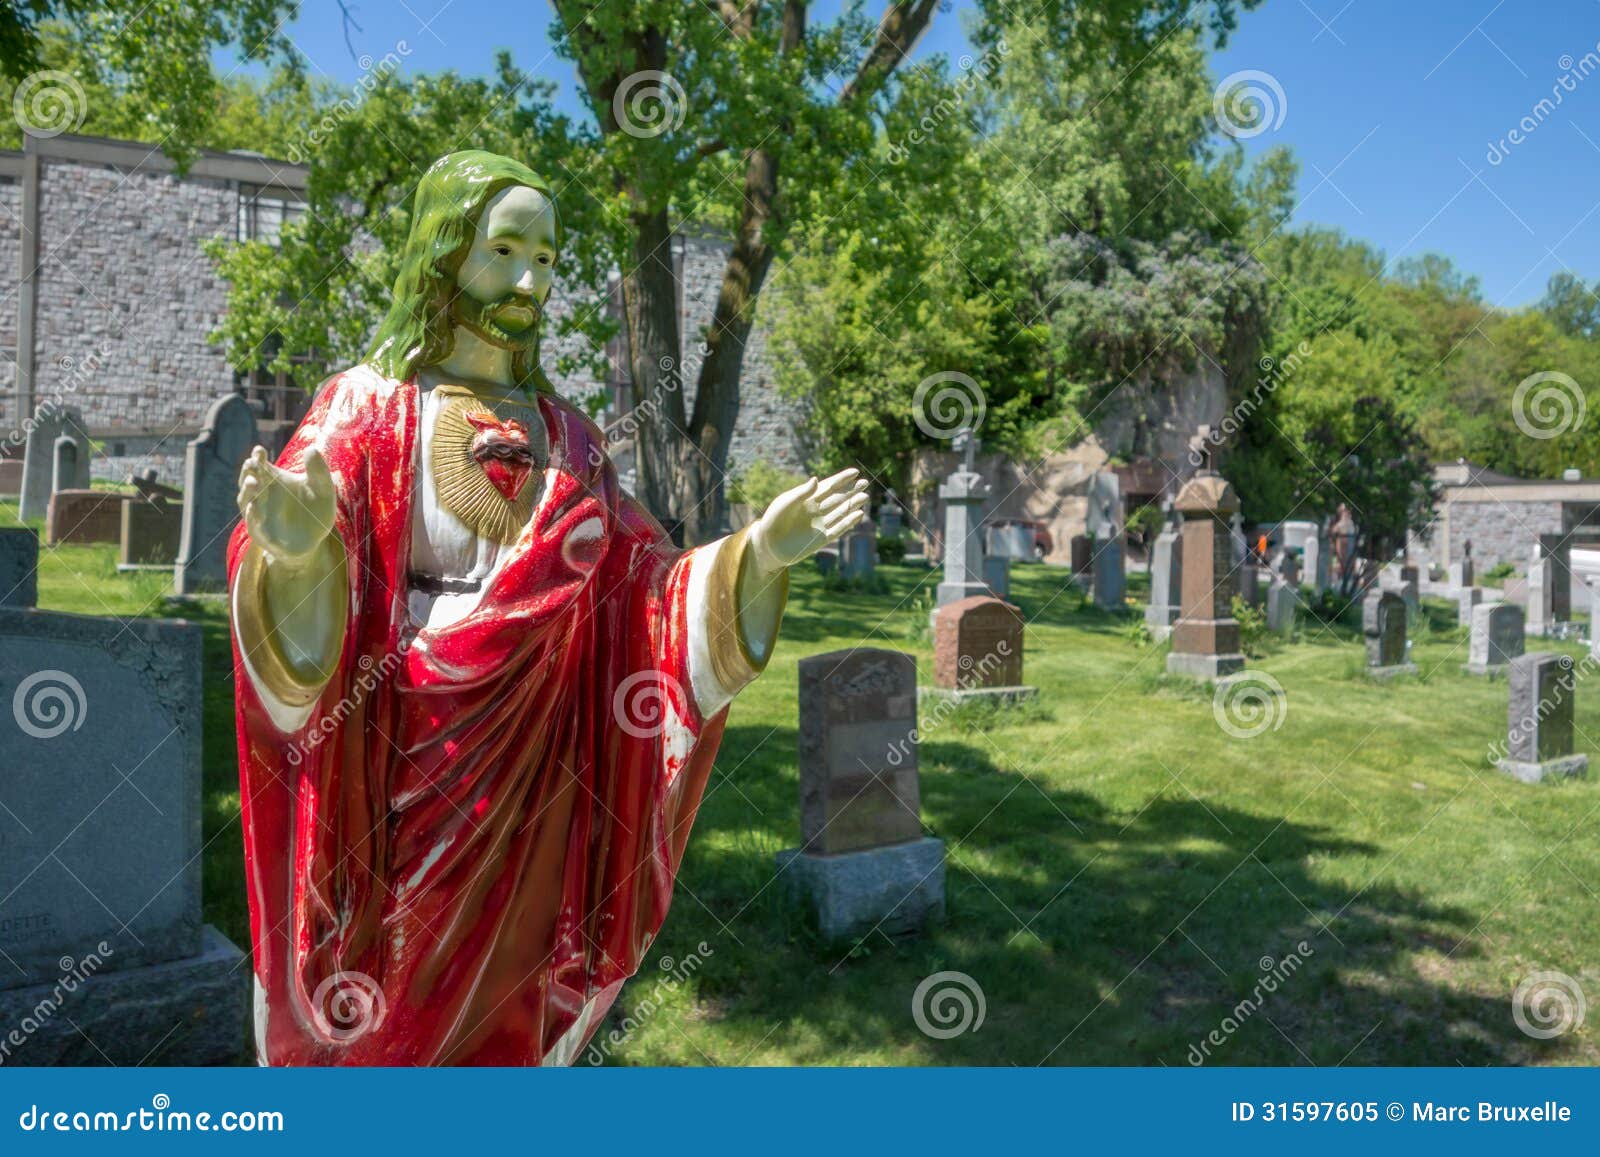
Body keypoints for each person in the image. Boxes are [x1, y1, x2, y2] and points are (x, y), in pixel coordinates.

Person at [229, 150, 867, 1065]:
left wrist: (759, 551)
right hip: (401, 774)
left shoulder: (569, 439)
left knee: (508, 1016)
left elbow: (651, 594)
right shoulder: (370, 408)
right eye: (506, 250)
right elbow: (302, 597)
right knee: (395, 1015)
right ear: (445, 253)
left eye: (549, 257)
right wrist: (300, 556)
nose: (531, 279)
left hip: (541, 778)